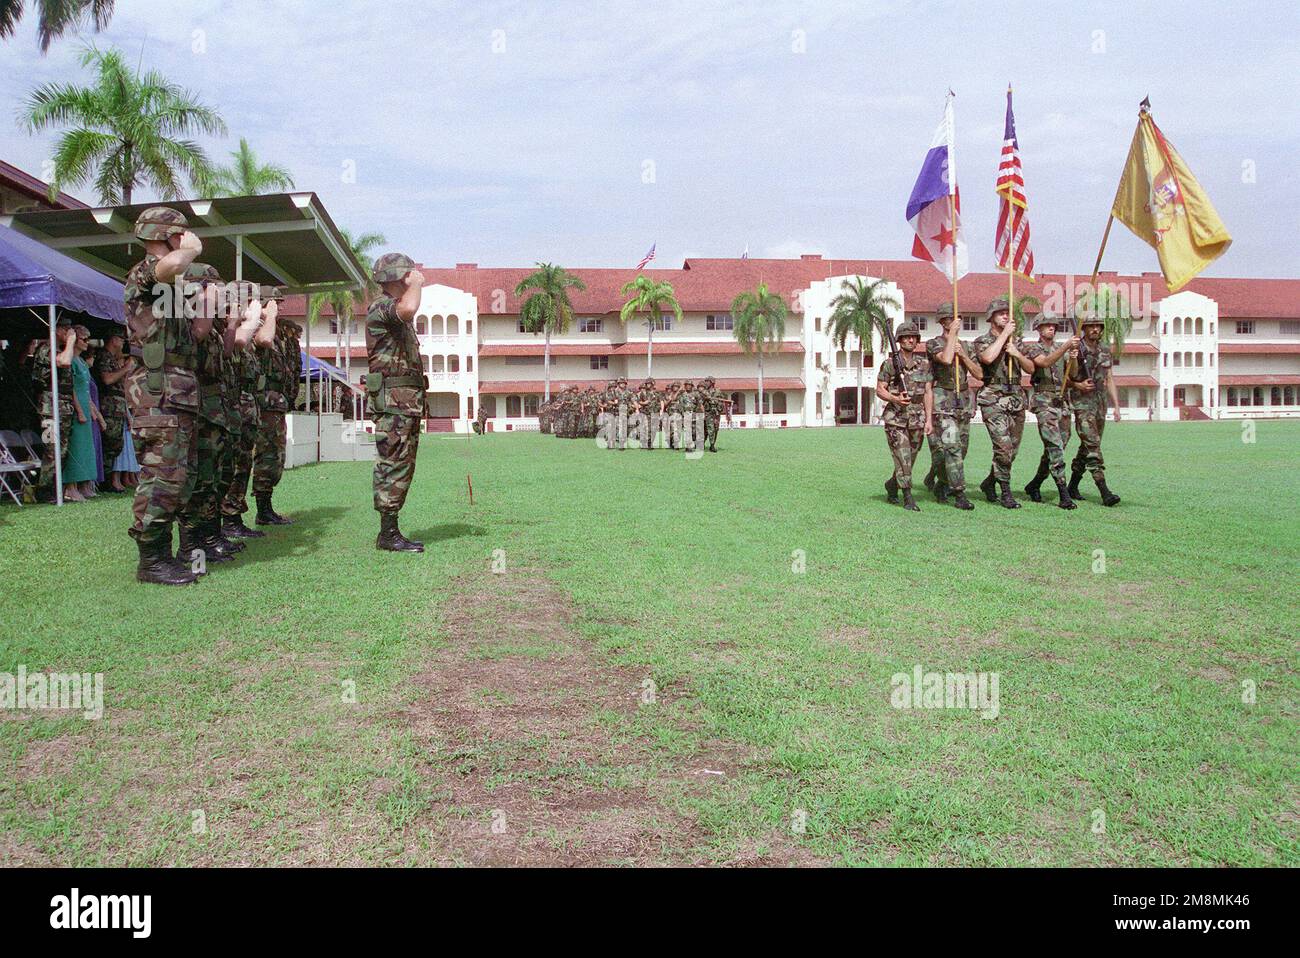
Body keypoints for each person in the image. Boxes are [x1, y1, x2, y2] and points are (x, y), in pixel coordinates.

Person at [123, 206, 205, 585]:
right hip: (156, 390)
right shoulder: (144, 273)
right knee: (161, 475)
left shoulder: (170, 287)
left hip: (177, 389)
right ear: (167, 236)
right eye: (180, 235)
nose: (185, 239)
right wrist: (191, 250)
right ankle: (151, 559)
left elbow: (197, 336)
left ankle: (165, 554)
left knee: (177, 476)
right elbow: (168, 266)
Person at [178, 262, 242, 568]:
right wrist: (207, 302)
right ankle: (194, 545)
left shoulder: (212, 320)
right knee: (201, 479)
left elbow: (226, 353)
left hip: (217, 409)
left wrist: (230, 325)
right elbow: (198, 336)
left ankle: (211, 536)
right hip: (200, 407)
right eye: (211, 287)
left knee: (216, 477)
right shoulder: (188, 312)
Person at [366, 252, 426, 553]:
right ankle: (387, 534)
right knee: (392, 464)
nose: (411, 279)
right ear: (396, 278)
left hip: (404, 404)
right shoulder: (382, 307)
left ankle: (390, 530)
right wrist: (417, 283)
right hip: (393, 404)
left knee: (402, 464)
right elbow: (410, 307)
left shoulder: (393, 310)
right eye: (407, 275)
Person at [973, 298, 1034, 509]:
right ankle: (1005, 492)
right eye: (1001, 313)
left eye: (1008, 313)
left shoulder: (1016, 342)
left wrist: (1016, 353)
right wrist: (1005, 336)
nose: (1006, 316)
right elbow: (988, 358)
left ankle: (990, 482)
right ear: (991, 318)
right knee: (1003, 446)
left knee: (1012, 450)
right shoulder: (982, 340)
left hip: (1016, 396)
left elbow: (1031, 369)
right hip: (993, 397)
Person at [1020, 309, 1078, 509]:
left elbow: (1072, 376)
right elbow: (1044, 363)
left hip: (1061, 402)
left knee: (1057, 447)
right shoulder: (1033, 349)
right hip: (1044, 402)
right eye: (1047, 325)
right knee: (1054, 446)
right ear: (1038, 328)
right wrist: (1065, 349)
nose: (1052, 327)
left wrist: (1073, 357)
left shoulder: (1060, 348)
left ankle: (1035, 484)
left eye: (1054, 325)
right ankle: (1064, 494)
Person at [924, 303, 981, 509]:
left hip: (963, 401)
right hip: (943, 402)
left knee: (962, 449)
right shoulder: (934, 343)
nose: (955, 321)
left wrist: (964, 355)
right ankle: (959, 494)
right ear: (942, 322)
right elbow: (946, 359)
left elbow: (979, 374)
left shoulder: (966, 345)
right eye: (950, 319)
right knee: (952, 448)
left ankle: (943, 483)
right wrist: (952, 338)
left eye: (958, 318)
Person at [876, 322, 933, 511]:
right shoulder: (890, 363)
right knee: (903, 457)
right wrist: (895, 398)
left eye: (913, 337)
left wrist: (929, 419)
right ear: (899, 340)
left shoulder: (924, 364)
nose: (910, 339)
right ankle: (908, 497)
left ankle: (893, 484)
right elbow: (879, 389)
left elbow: (927, 392)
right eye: (906, 337)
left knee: (910, 458)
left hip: (917, 417)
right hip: (896, 418)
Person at [1067, 312, 1122, 506]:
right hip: (1082, 404)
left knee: (1087, 446)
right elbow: (1070, 375)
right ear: (1084, 328)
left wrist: (1116, 406)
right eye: (1091, 326)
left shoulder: (1105, 350)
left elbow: (1109, 378)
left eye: (1098, 326)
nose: (1095, 329)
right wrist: (1074, 362)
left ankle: (1072, 485)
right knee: (1093, 446)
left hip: (1100, 404)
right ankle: (1104, 490)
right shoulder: (1076, 348)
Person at [252, 287, 293, 525]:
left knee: (275, 457)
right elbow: (262, 341)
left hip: (275, 403)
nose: (279, 307)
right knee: (266, 457)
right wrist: (269, 316)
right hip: (264, 402)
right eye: (276, 303)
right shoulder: (259, 326)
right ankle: (262, 510)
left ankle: (266, 508)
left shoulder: (276, 332)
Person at [32, 319, 75, 501]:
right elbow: (64, 362)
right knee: (52, 449)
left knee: (62, 449)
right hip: (49, 407)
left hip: (62, 405)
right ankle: (44, 490)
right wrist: (71, 342)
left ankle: (53, 490)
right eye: (65, 329)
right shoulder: (46, 348)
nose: (68, 332)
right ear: (55, 330)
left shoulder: (58, 348)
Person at [63, 324, 106, 501]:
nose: (87, 343)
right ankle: (70, 487)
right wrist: (80, 411)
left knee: (86, 449)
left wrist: (95, 413)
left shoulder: (81, 362)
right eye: (84, 339)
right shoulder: (71, 360)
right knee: (76, 447)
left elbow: (87, 391)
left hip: (86, 407)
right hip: (76, 407)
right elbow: (71, 388)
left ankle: (84, 484)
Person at [93, 331, 131, 491]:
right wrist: (126, 368)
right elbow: (107, 379)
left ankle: (107, 479)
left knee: (115, 445)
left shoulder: (112, 359)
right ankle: (104, 481)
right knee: (109, 443)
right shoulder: (104, 357)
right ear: (113, 339)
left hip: (117, 408)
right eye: (121, 339)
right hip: (108, 407)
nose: (123, 343)